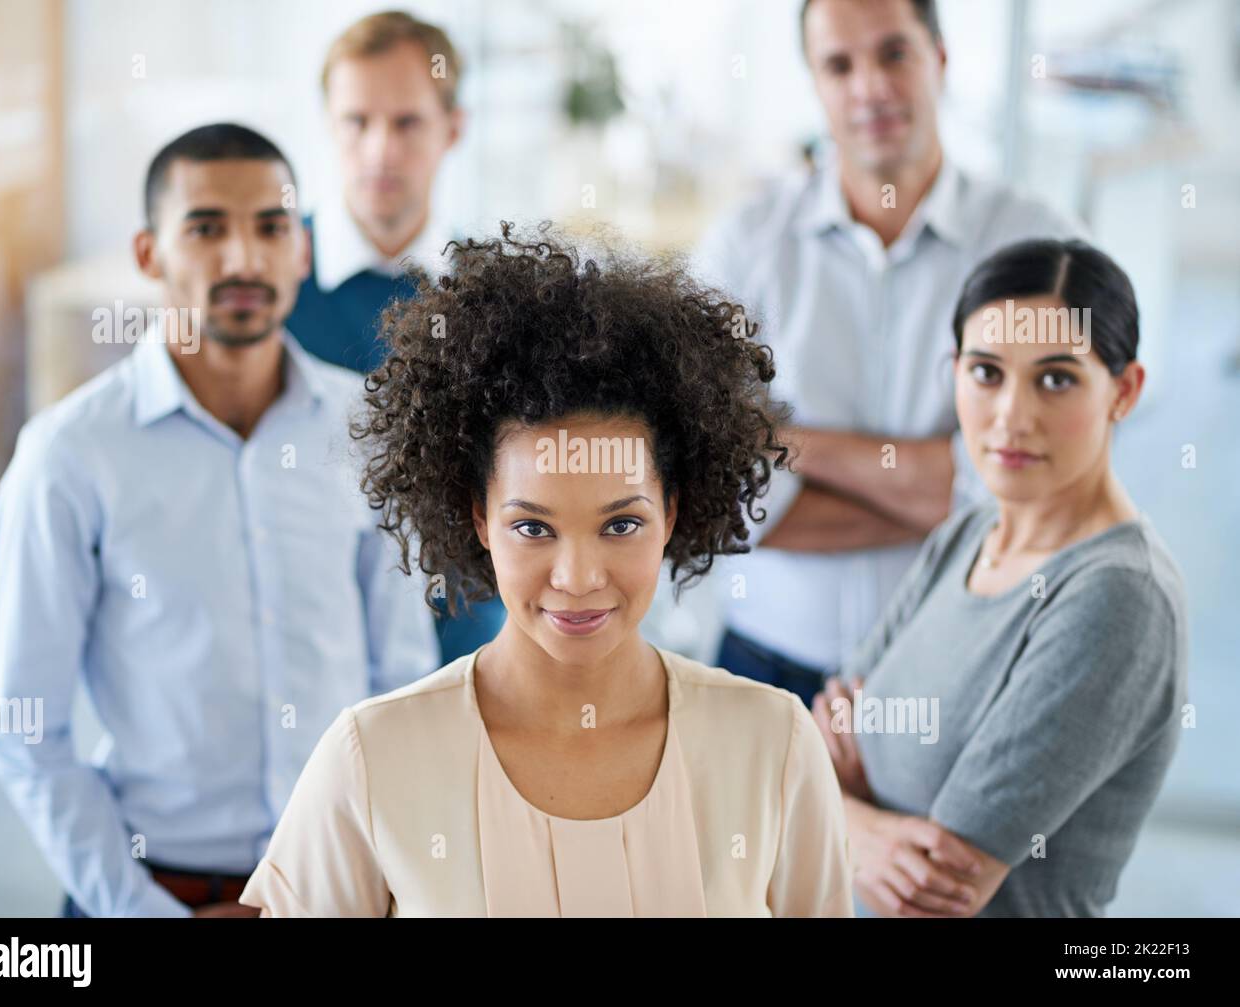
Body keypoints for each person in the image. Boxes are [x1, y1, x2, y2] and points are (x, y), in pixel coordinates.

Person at [238, 224, 854, 917]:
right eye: (533, 527)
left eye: (620, 525)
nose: (578, 578)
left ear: (673, 513)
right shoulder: (369, 758)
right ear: (478, 519)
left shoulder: (773, 743)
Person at [0, 123, 438, 918]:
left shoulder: (366, 429)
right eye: (205, 228)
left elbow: (400, 682)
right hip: (150, 889)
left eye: (271, 228)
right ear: (149, 253)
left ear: (302, 250)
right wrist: (143, 910)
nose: (242, 259)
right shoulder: (69, 455)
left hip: (336, 885)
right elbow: (22, 727)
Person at [691, 0, 1081, 704]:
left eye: (894, 53)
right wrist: (958, 498)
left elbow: (1051, 476)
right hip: (763, 670)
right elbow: (711, 491)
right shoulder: (743, 245)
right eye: (840, 65)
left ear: (941, 58)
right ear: (815, 82)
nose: (870, 87)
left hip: (961, 672)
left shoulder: (1036, 246)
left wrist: (787, 444)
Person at [810, 239, 1188, 917]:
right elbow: (822, 732)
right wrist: (860, 830)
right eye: (986, 372)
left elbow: (931, 889)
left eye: (1055, 379)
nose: (1012, 415)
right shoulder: (967, 534)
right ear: (954, 372)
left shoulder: (1118, 597)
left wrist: (833, 811)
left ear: (1124, 391)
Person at [289, 8, 504, 664]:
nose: (380, 149)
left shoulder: (498, 296)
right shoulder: (269, 285)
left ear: (453, 128)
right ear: (329, 125)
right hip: (305, 644)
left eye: (407, 122)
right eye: (357, 121)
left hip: (468, 648)